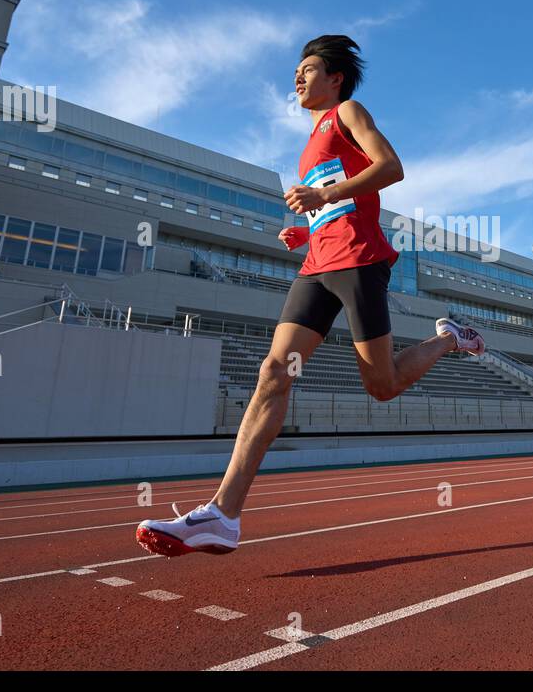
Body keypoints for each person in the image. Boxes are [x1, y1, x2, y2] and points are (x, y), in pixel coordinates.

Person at [135, 35, 485, 556]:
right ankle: (223, 515)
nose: (296, 78)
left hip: (361, 261)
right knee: (274, 372)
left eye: (308, 69)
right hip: (317, 264)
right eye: (295, 71)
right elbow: (338, 203)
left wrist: (322, 195)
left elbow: (390, 168)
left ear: (335, 77)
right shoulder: (308, 145)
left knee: (382, 385)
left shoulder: (348, 111)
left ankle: (448, 340)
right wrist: (310, 226)